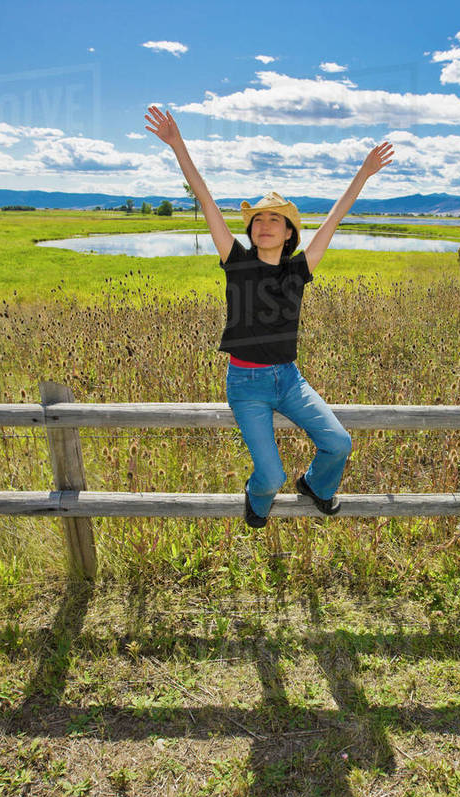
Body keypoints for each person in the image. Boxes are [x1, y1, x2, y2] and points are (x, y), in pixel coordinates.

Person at [145, 105, 393, 528]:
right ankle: (255, 504)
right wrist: (177, 144)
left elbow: (335, 217)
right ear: (251, 230)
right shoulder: (236, 261)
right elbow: (205, 199)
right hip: (246, 384)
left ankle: (316, 486)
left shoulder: (299, 269)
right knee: (270, 477)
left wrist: (365, 173)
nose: (264, 224)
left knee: (338, 443)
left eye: (274, 219)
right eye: (258, 219)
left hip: (290, 379)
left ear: (290, 232)